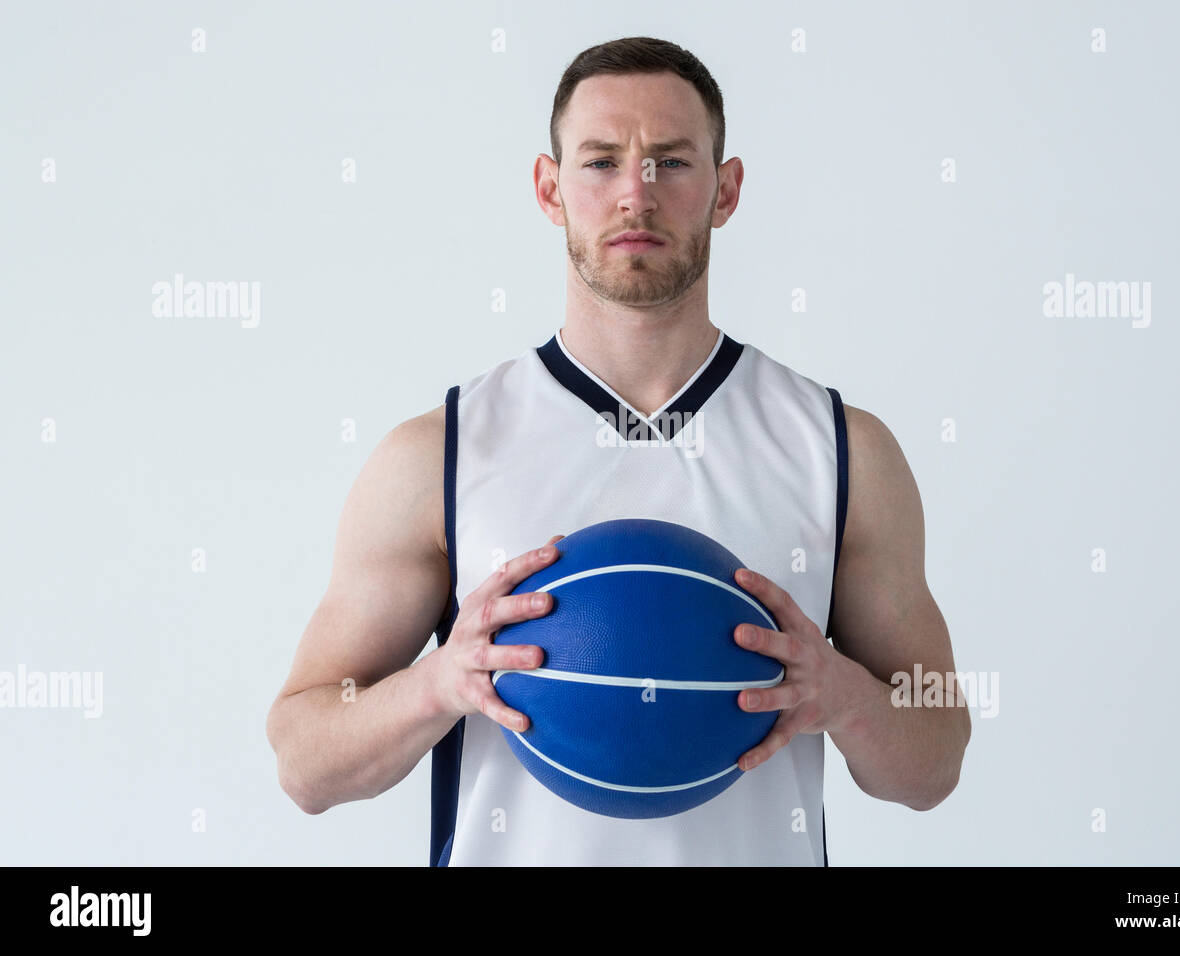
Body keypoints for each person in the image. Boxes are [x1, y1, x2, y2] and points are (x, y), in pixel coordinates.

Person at [266, 36, 970, 866]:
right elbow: (304, 759)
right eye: (601, 162)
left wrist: (842, 694)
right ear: (550, 188)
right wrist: (440, 684)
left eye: (672, 162)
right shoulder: (440, 454)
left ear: (727, 189)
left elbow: (935, 758)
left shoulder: (842, 448)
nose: (637, 194)